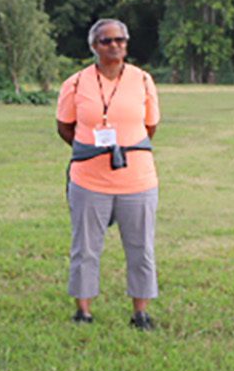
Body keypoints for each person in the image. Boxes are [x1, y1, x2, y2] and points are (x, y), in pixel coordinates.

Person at [56, 19, 161, 329]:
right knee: (85, 246)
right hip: (89, 179)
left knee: (141, 247)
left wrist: (125, 147)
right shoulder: (75, 83)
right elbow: (65, 127)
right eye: (106, 41)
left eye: (121, 40)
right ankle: (83, 310)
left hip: (137, 180)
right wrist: (93, 149)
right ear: (93, 47)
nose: (115, 45)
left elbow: (150, 126)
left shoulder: (142, 80)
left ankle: (140, 312)